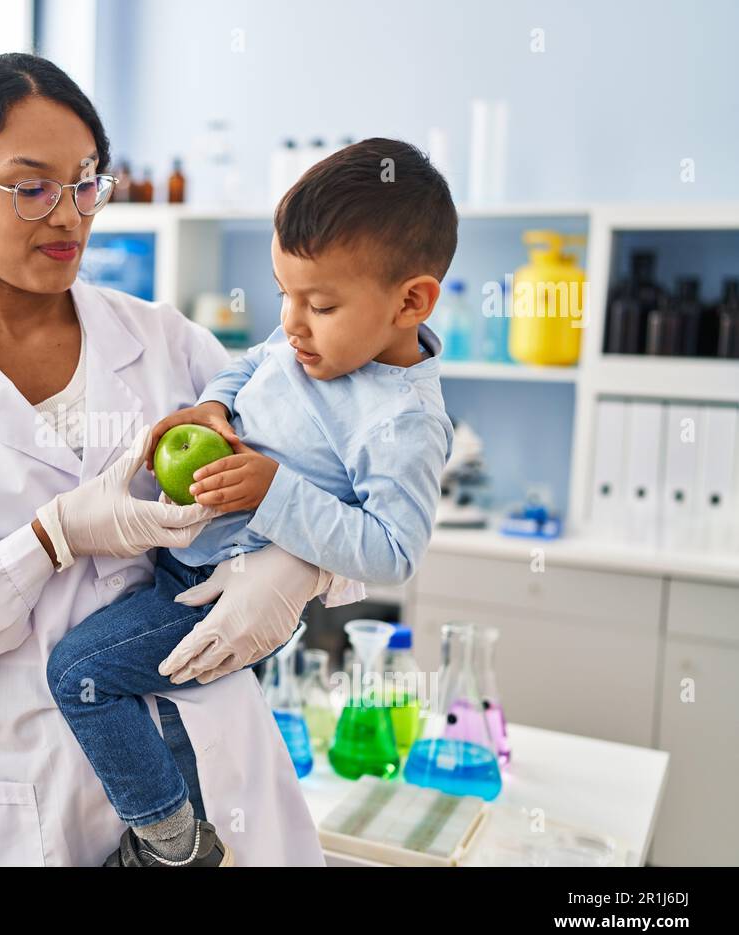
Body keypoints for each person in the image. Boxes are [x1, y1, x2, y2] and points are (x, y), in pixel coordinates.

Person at [0, 53, 330, 866]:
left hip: (215, 768)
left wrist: (297, 569)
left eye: (86, 183)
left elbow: (333, 475)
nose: (70, 215)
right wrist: (47, 542)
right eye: (31, 186)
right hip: (10, 803)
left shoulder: (166, 341)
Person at [46, 138, 457, 866]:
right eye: (283, 295)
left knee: (80, 674)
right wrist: (210, 409)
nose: (292, 323)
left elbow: (394, 550)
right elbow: (250, 367)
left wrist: (276, 493)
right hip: (184, 560)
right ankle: (186, 836)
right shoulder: (308, 342)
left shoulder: (404, 422)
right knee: (179, 725)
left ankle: (168, 844)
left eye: (320, 303)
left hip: (222, 593)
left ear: (411, 301)